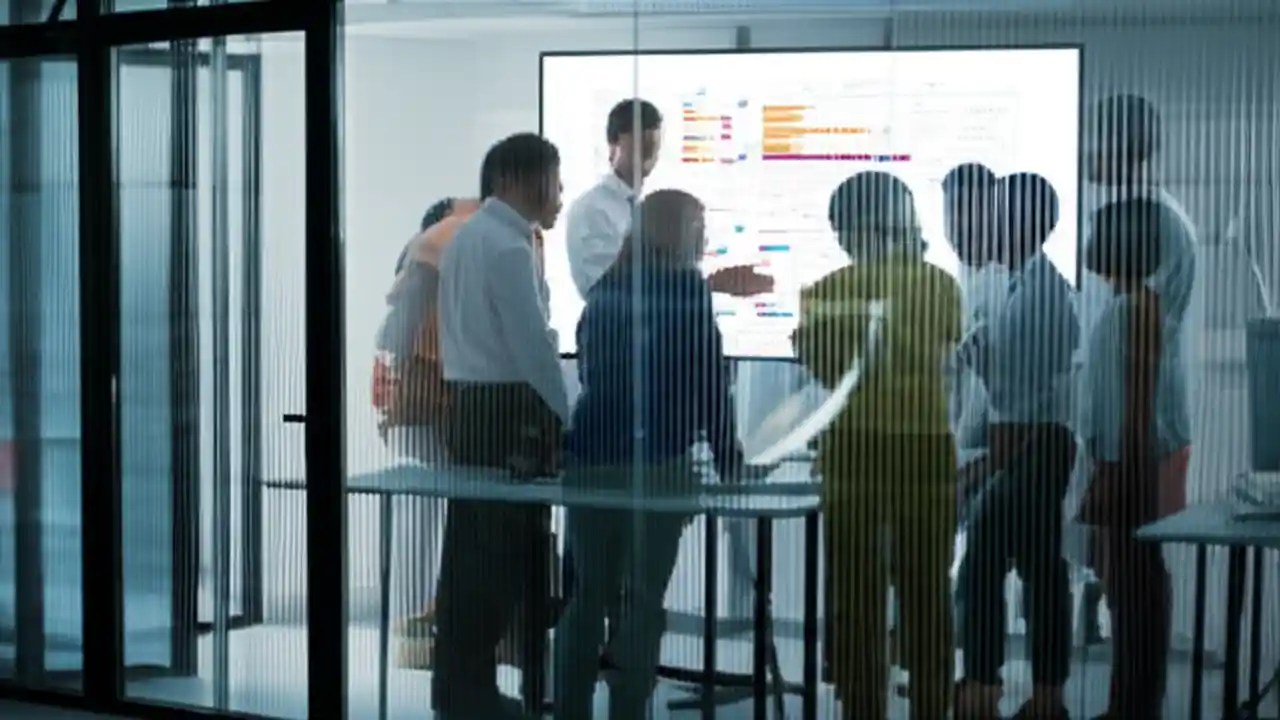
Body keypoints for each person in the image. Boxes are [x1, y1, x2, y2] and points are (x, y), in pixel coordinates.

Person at [554, 189, 760, 720]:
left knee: (588, 597)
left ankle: (571, 709)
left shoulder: (606, 290)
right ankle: (627, 712)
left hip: (591, 461)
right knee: (642, 601)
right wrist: (729, 460)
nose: (707, 238)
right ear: (680, 234)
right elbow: (709, 383)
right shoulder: (686, 290)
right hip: (657, 464)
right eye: (700, 226)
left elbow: (596, 375)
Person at [795, 171, 960, 720]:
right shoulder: (940, 284)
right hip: (925, 450)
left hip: (852, 451)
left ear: (846, 231)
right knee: (928, 594)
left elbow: (827, 372)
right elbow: (942, 355)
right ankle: (932, 708)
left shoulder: (822, 292)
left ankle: (861, 708)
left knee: (855, 597)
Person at [431, 132, 568, 720]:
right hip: (511, 413)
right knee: (504, 562)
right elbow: (533, 348)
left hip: (472, 409)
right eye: (554, 181)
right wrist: (569, 415)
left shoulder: (469, 238)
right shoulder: (509, 249)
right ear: (516, 179)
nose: (560, 195)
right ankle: (483, 697)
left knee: (469, 560)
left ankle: (461, 692)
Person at [955, 173, 1078, 720]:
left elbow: (1016, 399)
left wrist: (983, 469)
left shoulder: (1039, 295)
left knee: (991, 558)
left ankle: (987, 688)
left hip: (1035, 445)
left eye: (997, 211)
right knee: (1037, 568)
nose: (986, 221)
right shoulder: (1019, 283)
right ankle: (1032, 694)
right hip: (1032, 443)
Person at [1076, 198, 1172, 720]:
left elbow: (1135, 402)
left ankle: (1132, 707)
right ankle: (1127, 705)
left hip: (1126, 467)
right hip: (1117, 462)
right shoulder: (1127, 303)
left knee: (1133, 594)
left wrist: (1116, 474)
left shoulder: (1136, 307)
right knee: (1125, 592)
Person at [565, 97, 772, 299]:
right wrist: (708, 285)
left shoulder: (648, 207)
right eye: (640, 146)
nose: (648, 156)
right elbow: (607, 290)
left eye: (653, 148)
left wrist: (708, 284)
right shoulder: (591, 210)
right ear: (614, 142)